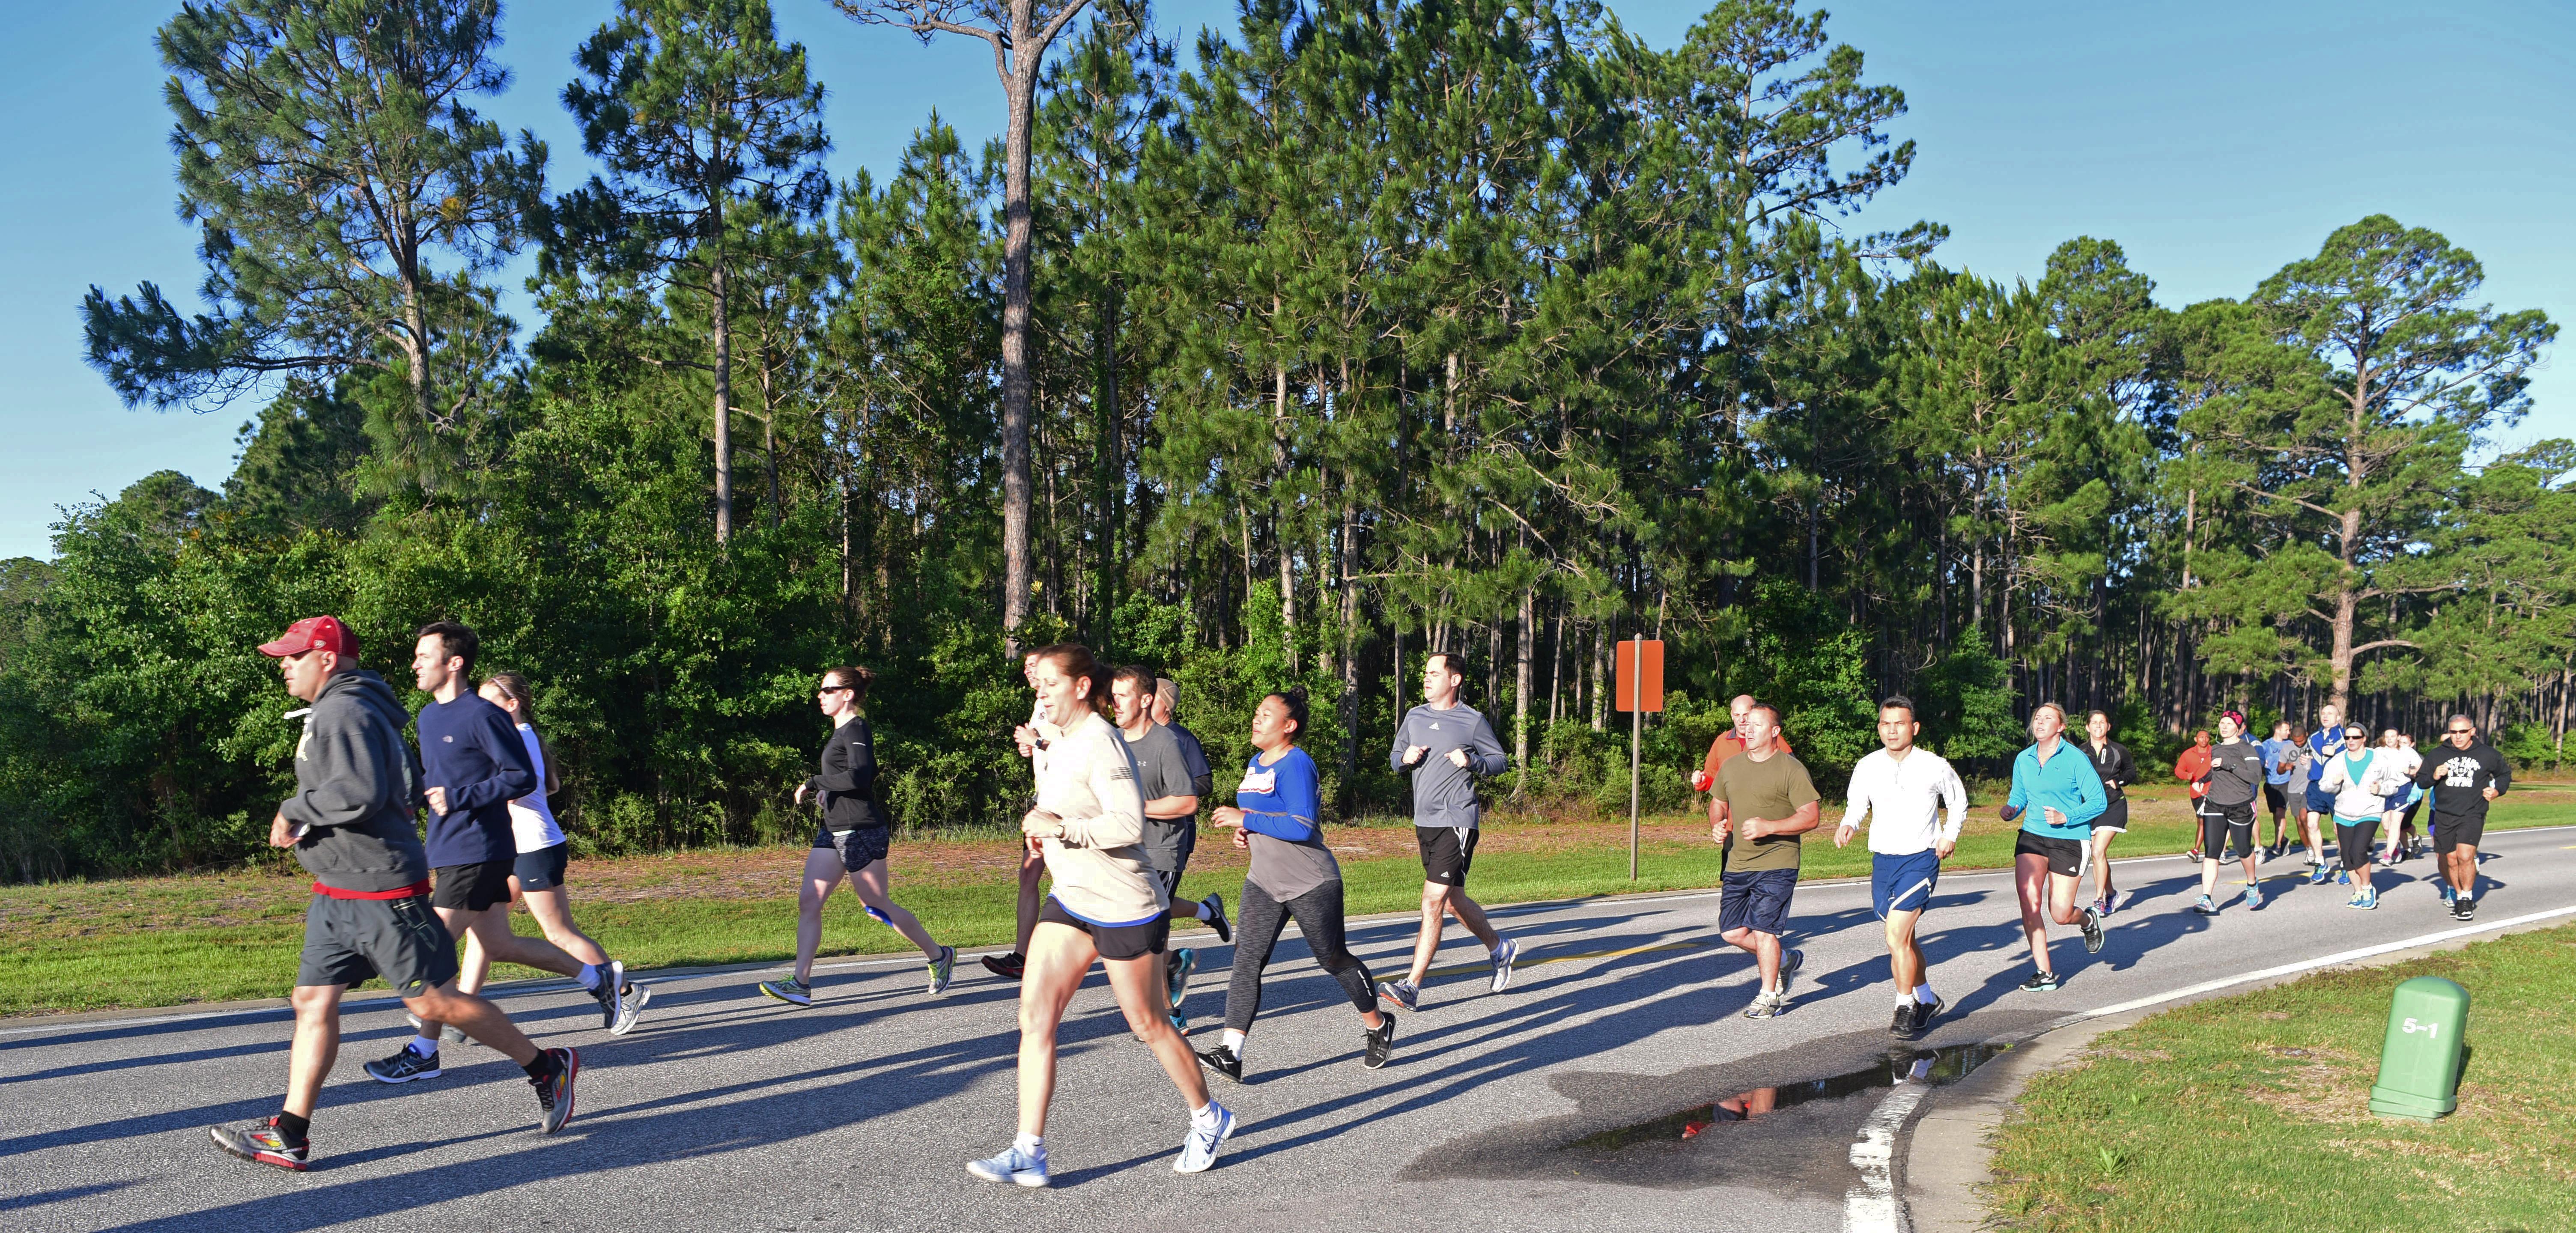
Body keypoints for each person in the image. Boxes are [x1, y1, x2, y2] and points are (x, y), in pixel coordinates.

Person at [210, 617, 575, 1171]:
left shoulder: (346, 710)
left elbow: (361, 791)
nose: (283, 665)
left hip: (381, 889)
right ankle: (290, 1133)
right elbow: (377, 791)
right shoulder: (346, 709)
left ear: (327, 658)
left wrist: (293, 810)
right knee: (311, 1000)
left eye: (293, 656)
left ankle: (545, 1066)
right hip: (338, 888)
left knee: (432, 1002)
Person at [965, 644, 1234, 1186]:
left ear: (1082, 688)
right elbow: (1049, 762)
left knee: (1148, 1024)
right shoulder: (1056, 734)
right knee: (1035, 1016)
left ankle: (1210, 1117)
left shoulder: (1101, 742)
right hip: (1072, 897)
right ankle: (1029, 1148)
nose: (1040, 694)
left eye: (1050, 685)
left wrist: (1060, 830)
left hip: (1124, 906)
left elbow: (1128, 825)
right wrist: (1042, 812)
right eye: (1037, 685)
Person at [378, 622, 604, 1084]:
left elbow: (520, 777)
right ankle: (598, 980)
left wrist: (458, 798)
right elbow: (434, 780)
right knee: (499, 945)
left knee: (429, 955)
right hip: (446, 846)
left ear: (454, 662)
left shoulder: (484, 715)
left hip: (480, 849)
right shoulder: (427, 717)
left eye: (424, 655)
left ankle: (425, 1051)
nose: (415, 664)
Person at [1196, 690, 1396, 1080]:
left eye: (1266, 715)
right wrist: (1246, 830)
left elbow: (1301, 825)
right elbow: (1263, 815)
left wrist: (1248, 819)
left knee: (1333, 959)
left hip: (1310, 882)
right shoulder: (1256, 762)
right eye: (1257, 712)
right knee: (1247, 960)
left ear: (1288, 726)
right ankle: (1231, 1053)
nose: (1256, 719)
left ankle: (1378, 1025)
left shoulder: (1297, 763)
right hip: (1264, 882)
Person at [449, 672, 646, 1036]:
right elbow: (550, 786)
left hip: (534, 847)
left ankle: (623, 992)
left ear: (513, 705)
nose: (480, 710)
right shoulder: (521, 738)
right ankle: (461, 1014)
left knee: (558, 932)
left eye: (489, 703)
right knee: (483, 929)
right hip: (515, 847)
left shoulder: (518, 740)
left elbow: (511, 791)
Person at [759, 667, 958, 1007]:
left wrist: (814, 783)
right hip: (832, 827)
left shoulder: (856, 728)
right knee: (809, 901)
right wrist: (828, 794)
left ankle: (939, 955)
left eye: (828, 690)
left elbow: (861, 776)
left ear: (847, 694)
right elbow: (844, 777)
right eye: (821, 690)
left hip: (860, 829)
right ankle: (800, 984)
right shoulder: (840, 732)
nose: (820, 696)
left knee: (875, 905)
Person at [1375, 652, 1515, 1012]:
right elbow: (1394, 758)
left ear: (1454, 680)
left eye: (1434, 673)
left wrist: (1472, 762)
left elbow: (1500, 761)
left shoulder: (1471, 721)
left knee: (1432, 901)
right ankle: (1501, 949)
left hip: (1458, 820)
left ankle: (1411, 986)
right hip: (1425, 822)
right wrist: (1404, 760)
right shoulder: (1415, 716)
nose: (1426, 678)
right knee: (1453, 902)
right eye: (1425, 673)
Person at [1833, 696, 1967, 1039]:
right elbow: (1856, 804)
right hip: (1884, 860)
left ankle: (1904, 1006)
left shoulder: (1934, 765)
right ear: (1880, 728)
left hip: (1921, 858)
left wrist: (1949, 835)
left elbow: (1958, 801)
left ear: (1914, 727)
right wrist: (1849, 824)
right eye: (1886, 724)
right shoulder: (1867, 765)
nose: (1892, 730)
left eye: (1900, 723)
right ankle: (1927, 998)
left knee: (1895, 936)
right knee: (1902, 940)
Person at [1109, 666, 1230, 1029]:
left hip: (1161, 849)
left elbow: (1189, 801)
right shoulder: (1113, 740)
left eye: (1122, 695)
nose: (1114, 702)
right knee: (1134, 930)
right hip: (1122, 848)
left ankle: (1169, 1013)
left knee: (1146, 937)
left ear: (1147, 701)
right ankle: (1179, 961)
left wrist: (1137, 809)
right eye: (1112, 695)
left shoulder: (1168, 742)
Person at [1708, 703, 1821, 1018]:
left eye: (1757, 724)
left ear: (1775, 732)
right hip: (1738, 861)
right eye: (1746, 724)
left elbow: (1811, 817)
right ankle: (1784, 960)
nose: (1748, 728)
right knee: (1731, 932)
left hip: (1778, 861)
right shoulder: (1731, 767)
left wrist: (1770, 827)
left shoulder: (1790, 769)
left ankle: (1768, 996)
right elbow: (1718, 803)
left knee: (1763, 929)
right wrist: (1717, 824)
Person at [2002, 704, 2107, 991]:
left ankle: (2087, 920)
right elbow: (2020, 794)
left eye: (2048, 718)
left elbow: (2099, 802)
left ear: (2061, 726)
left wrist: (2066, 817)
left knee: (2060, 914)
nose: (2040, 721)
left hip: (2070, 839)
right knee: (2029, 901)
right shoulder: (2024, 758)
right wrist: (2013, 808)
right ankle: (2044, 973)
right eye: (2037, 717)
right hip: (2033, 836)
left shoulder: (2076, 759)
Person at [985, 651, 1057, 981]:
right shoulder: (1040, 703)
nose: (1027, 670)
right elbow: (1043, 747)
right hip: (1043, 802)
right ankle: (1022, 956)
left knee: (1072, 881)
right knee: (1029, 876)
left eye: (1034, 665)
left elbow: (1079, 748)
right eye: (1025, 666)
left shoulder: (1062, 699)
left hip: (1065, 805)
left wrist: (1037, 741)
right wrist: (1029, 747)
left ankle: (1133, 950)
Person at [2414, 715, 2510, 921]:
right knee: (2450, 860)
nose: (2458, 737)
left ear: (2473, 731)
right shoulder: (2438, 754)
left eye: (2463, 732)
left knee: (2465, 856)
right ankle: (2459, 896)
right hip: (2444, 814)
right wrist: (2434, 776)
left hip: (2473, 813)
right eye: (2454, 732)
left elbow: (2504, 774)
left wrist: (2497, 791)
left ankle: (2467, 898)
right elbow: (2421, 781)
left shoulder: (2487, 754)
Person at [1703, 693, 1794, 872]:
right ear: (1731, 716)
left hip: (1768, 832)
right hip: (1734, 830)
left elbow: (1795, 785)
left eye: (1747, 715)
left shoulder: (1775, 743)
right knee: (1734, 892)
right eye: (1737, 716)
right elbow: (1714, 789)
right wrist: (1717, 825)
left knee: (1765, 890)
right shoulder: (1723, 742)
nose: (1743, 721)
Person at [2189, 711, 2268, 915]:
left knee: (2243, 850)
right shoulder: (2215, 748)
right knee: (2212, 851)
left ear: (2238, 727)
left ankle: (2252, 883)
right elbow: (2214, 771)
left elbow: (2255, 776)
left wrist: (2230, 765)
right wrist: (2202, 780)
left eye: (2229, 724)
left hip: (2240, 805)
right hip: (2215, 803)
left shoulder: (2247, 748)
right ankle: (2206, 898)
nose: (2223, 727)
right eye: (2222, 723)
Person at [2317, 724, 2399, 910]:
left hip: (2370, 811)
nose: (2351, 741)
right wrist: (2334, 783)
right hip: (2344, 812)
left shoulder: (2379, 758)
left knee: (2358, 850)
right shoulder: (2337, 761)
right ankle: (2358, 892)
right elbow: (2324, 786)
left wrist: (2381, 789)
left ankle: (2368, 888)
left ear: (2364, 738)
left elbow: (2394, 783)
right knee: (2346, 857)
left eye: (2355, 737)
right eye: (2347, 738)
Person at [2080, 710, 2137, 916]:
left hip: (2113, 806)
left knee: (2097, 852)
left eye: (2102, 722)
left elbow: (2131, 772)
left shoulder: (2118, 750)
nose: (2098, 726)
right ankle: (2112, 893)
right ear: (2087, 727)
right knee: (2099, 855)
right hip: (2090, 809)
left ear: (2108, 727)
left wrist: (2118, 781)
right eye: (2094, 723)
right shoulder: (2080, 752)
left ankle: (2099, 900)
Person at [2299, 703, 2345, 877]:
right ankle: (2320, 862)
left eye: (2330, 714)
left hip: (2336, 787)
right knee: (2311, 824)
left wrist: (2337, 752)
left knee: (2338, 828)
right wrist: (2306, 763)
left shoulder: (2344, 736)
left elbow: (2353, 757)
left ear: (2338, 717)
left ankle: (2345, 863)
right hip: (2316, 785)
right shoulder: (2314, 737)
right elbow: (2310, 759)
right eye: (2323, 713)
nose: (2325, 716)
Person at [2378, 730, 2425, 864]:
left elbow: (2421, 767)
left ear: (2398, 737)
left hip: (2402, 789)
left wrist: (2410, 771)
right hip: (2386, 790)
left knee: (2395, 823)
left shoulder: (2407, 751)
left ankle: (2387, 855)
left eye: (2392, 736)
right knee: (2385, 824)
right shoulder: (2379, 752)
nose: (2389, 739)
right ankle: (2395, 850)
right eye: (2387, 737)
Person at [2258, 721, 2300, 858]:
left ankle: (2277, 845)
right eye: (2286, 730)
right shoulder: (2266, 745)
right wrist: (2261, 762)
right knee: (2275, 814)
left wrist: (2292, 765)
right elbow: (2257, 759)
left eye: (2289, 730)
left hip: (2287, 782)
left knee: (2280, 813)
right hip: (2271, 784)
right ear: (2278, 730)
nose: (2289, 733)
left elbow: (2300, 759)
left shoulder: (2290, 745)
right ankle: (2283, 840)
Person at [2172, 730, 2213, 862]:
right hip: (2195, 792)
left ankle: (2196, 850)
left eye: (2206, 737)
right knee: (2202, 821)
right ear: (2196, 739)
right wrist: (2186, 776)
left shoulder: (2214, 752)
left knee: (2203, 820)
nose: (2204, 740)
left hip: (2209, 791)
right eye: (2201, 737)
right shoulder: (2188, 754)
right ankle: (2211, 848)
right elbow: (2178, 770)